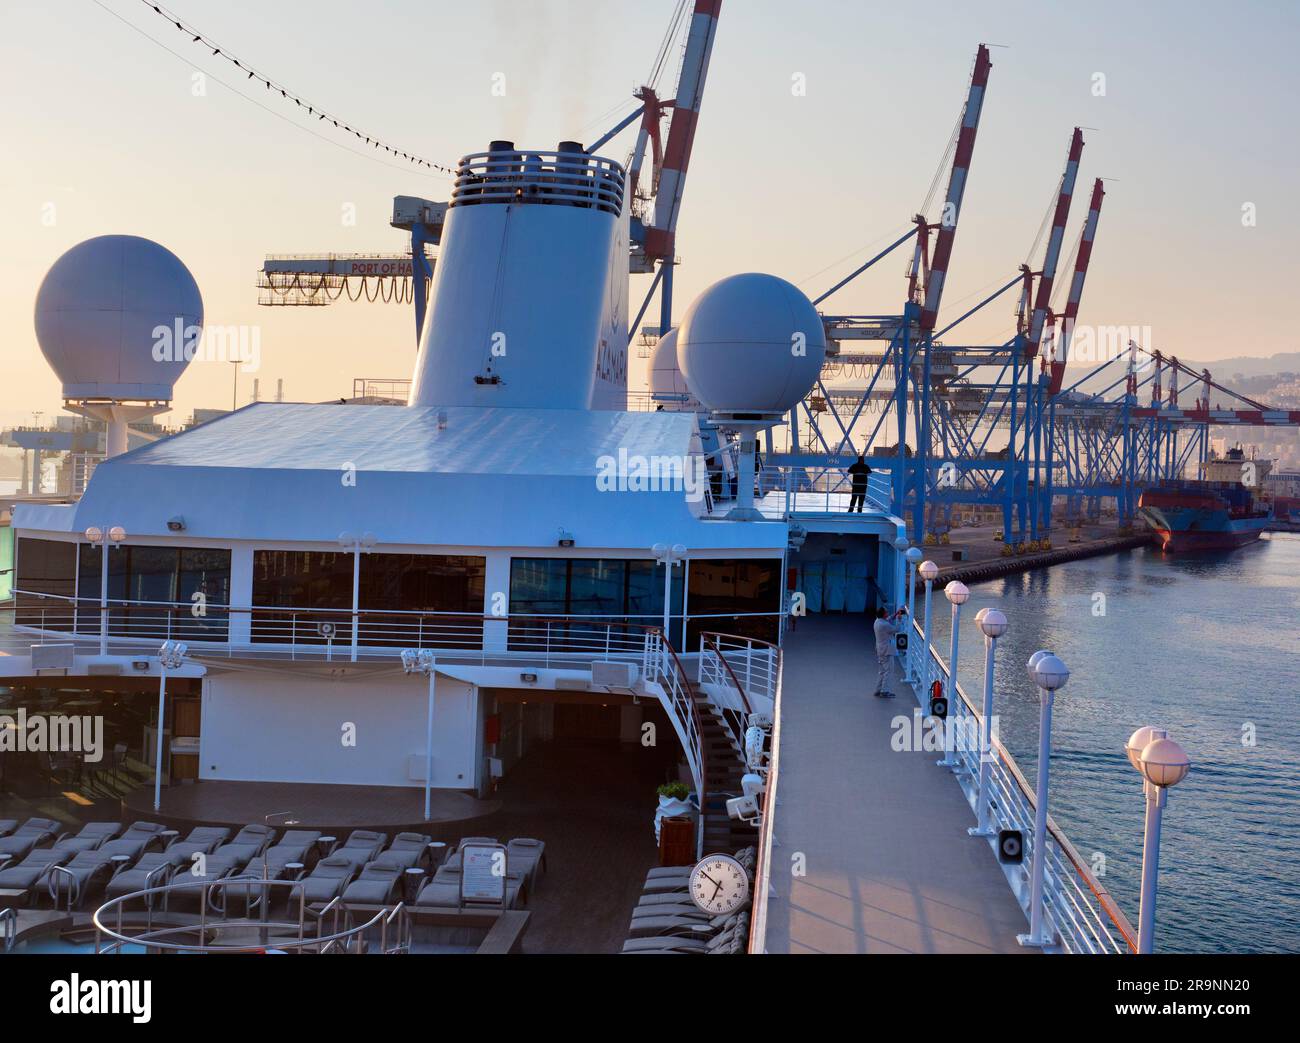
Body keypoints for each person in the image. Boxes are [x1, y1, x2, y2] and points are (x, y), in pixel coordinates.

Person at [872, 605, 906, 698]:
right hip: (886, 650)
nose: (887, 613)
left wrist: (894, 614)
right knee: (889, 671)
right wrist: (899, 619)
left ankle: (878, 690)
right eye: (886, 612)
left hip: (880, 649)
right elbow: (896, 629)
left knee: (882, 671)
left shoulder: (877, 621)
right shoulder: (884, 625)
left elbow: (887, 619)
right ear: (883, 614)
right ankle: (884, 691)